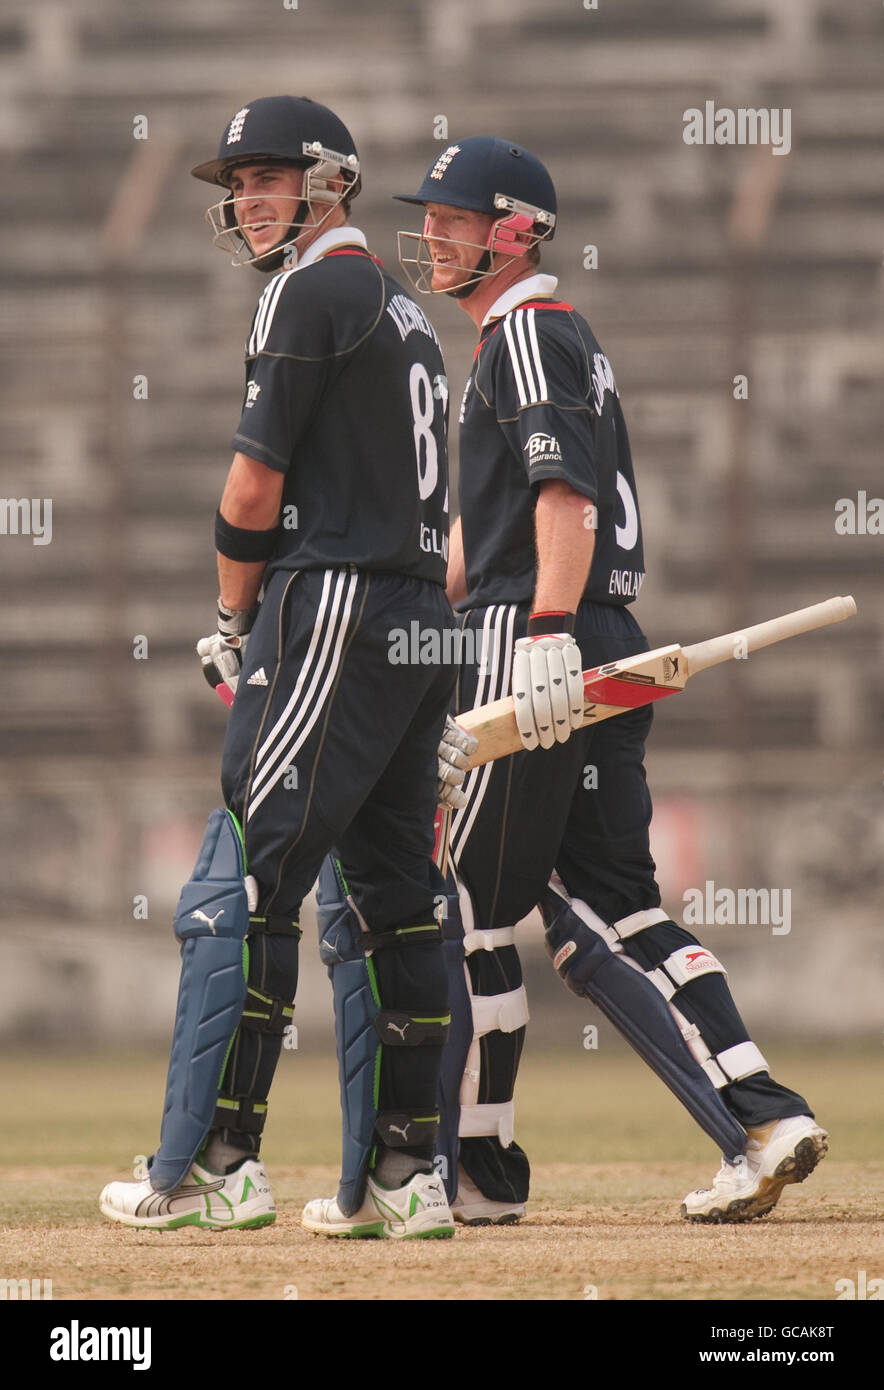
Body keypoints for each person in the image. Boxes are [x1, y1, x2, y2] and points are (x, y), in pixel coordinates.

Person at [388, 135, 827, 1226]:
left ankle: (458, 1172)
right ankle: (764, 1111)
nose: (431, 234)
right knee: (615, 906)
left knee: (470, 918)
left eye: (449, 216)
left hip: (538, 640)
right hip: (594, 633)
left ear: (511, 231)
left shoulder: (525, 335)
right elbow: (479, 536)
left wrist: (538, 633)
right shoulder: (546, 338)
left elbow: (563, 504)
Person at [99, 95, 458, 1239]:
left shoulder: (306, 291)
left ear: (330, 183)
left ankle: (212, 1166)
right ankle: (406, 1179)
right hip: (414, 621)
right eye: (237, 184)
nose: (248, 201)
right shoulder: (405, 310)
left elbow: (252, 487)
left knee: (241, 879)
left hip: (336, 598)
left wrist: (228, 610)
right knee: (396, 898)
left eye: (267, 178)